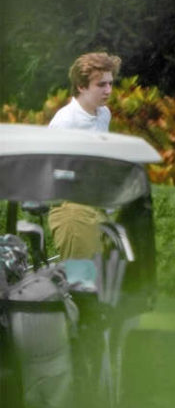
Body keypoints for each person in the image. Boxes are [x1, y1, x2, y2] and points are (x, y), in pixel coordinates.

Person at [48, 51, 122, 259]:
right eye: (101, 85)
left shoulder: (103, 113)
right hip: (73, 210)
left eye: (110, 83)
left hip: (98, 205)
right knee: (82, 283)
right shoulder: (65, 121)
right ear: (81, 86)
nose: (108, 90)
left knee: (105, 280)